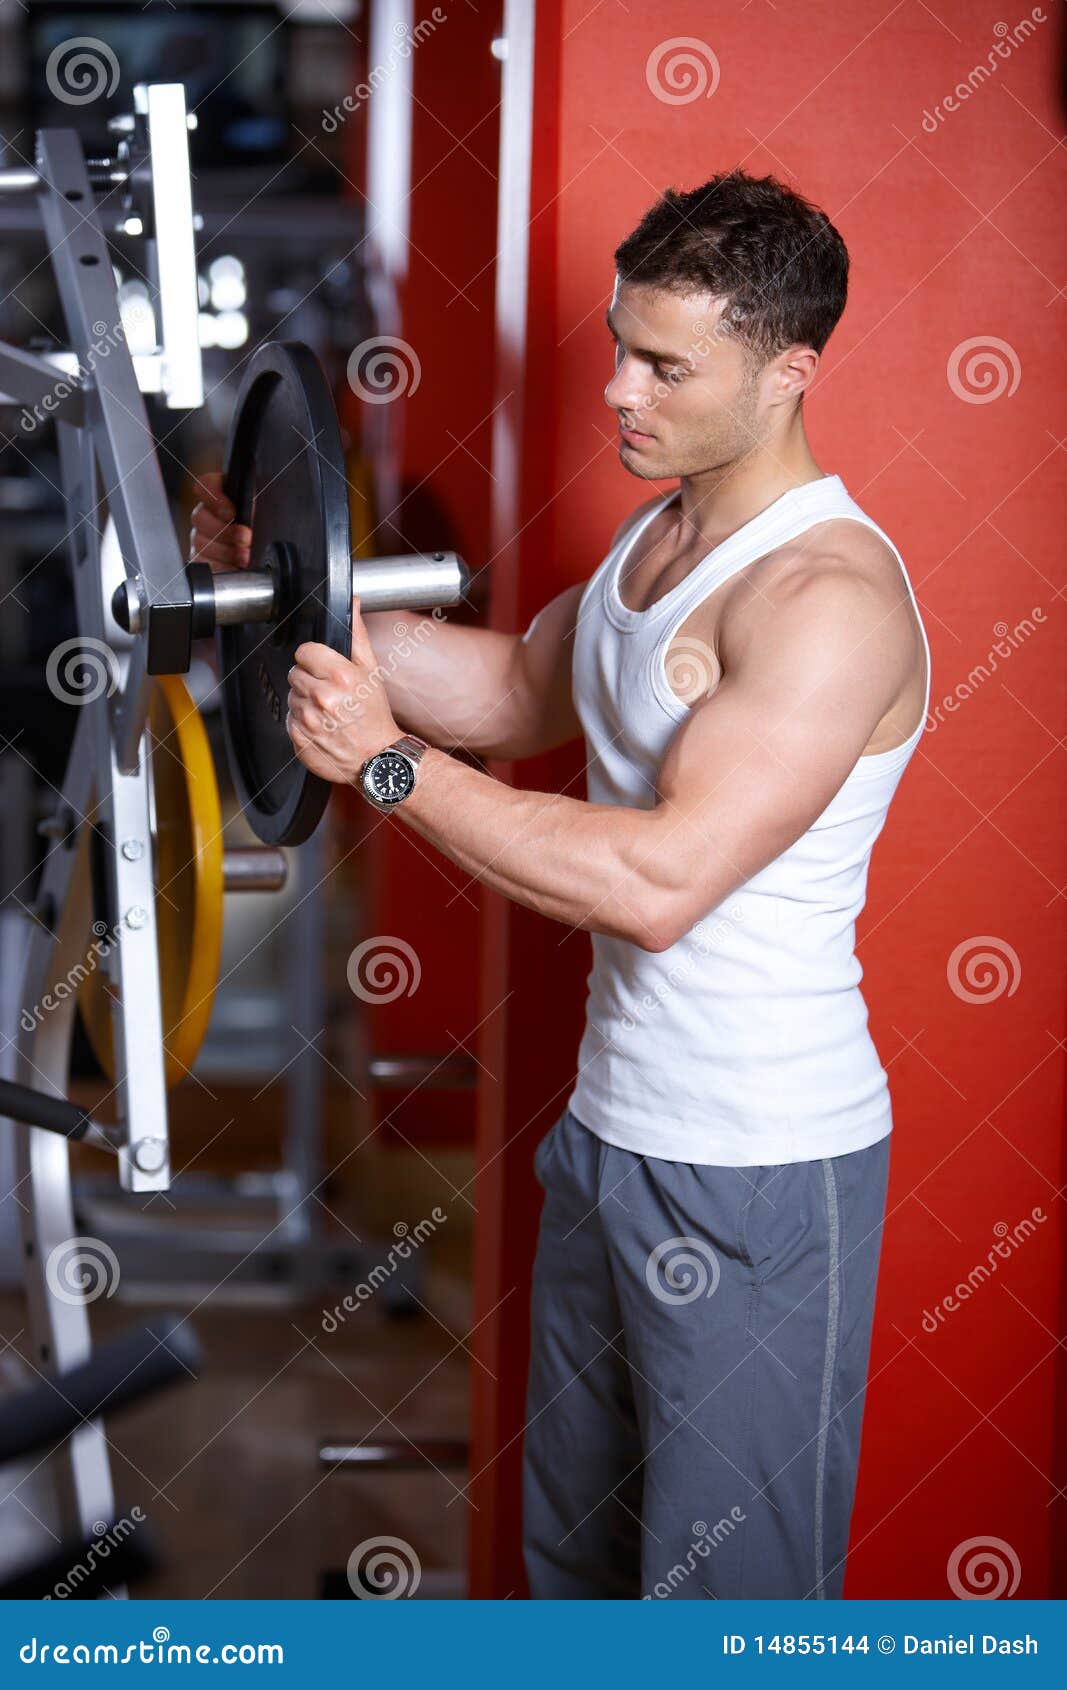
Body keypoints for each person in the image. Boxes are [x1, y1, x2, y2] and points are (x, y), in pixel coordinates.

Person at [191, 168, 930, 1600]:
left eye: (664, 364)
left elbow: (659, 880)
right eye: (615, 344)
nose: (615, 392)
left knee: (729, 1605)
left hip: (757, 1164)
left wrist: (385, 766)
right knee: (576, 1567)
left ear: (790, 374)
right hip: (608, 1138)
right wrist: (307, 601)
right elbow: (520, 688)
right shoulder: (659, 543)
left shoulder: (824, 599)